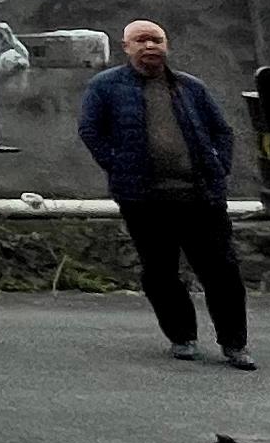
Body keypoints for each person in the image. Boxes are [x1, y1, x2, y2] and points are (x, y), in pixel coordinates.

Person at [75, 19, 251, 367]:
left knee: (222, 272)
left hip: (200, 198)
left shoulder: (190, 87)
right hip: (144, 200)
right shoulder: (106, 86)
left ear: (166, 45)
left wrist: (219, 166)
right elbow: (90, 129)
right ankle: (182, 338)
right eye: (140, 40)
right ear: (126, 47)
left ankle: (235, 345)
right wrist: (117, 165)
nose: (149, 46)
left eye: (156, 40)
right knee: (161, 273)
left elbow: (222, 131)